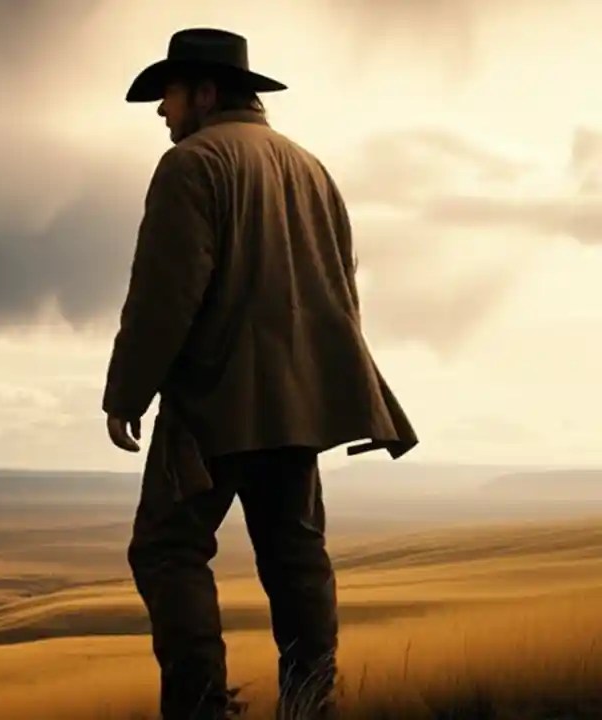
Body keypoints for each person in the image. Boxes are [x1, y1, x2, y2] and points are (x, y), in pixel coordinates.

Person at [101, 28, 418, 720]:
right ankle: (310, 704)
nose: (162, 112)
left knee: (166, 550)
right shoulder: (311, 169)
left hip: (213, 406)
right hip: (298, 408)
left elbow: (164, 296)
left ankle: (201, 709)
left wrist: (126, 393)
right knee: (297, 561)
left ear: (207, 93)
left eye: (170, 95)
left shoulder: (192, 165)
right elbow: (342, 285)